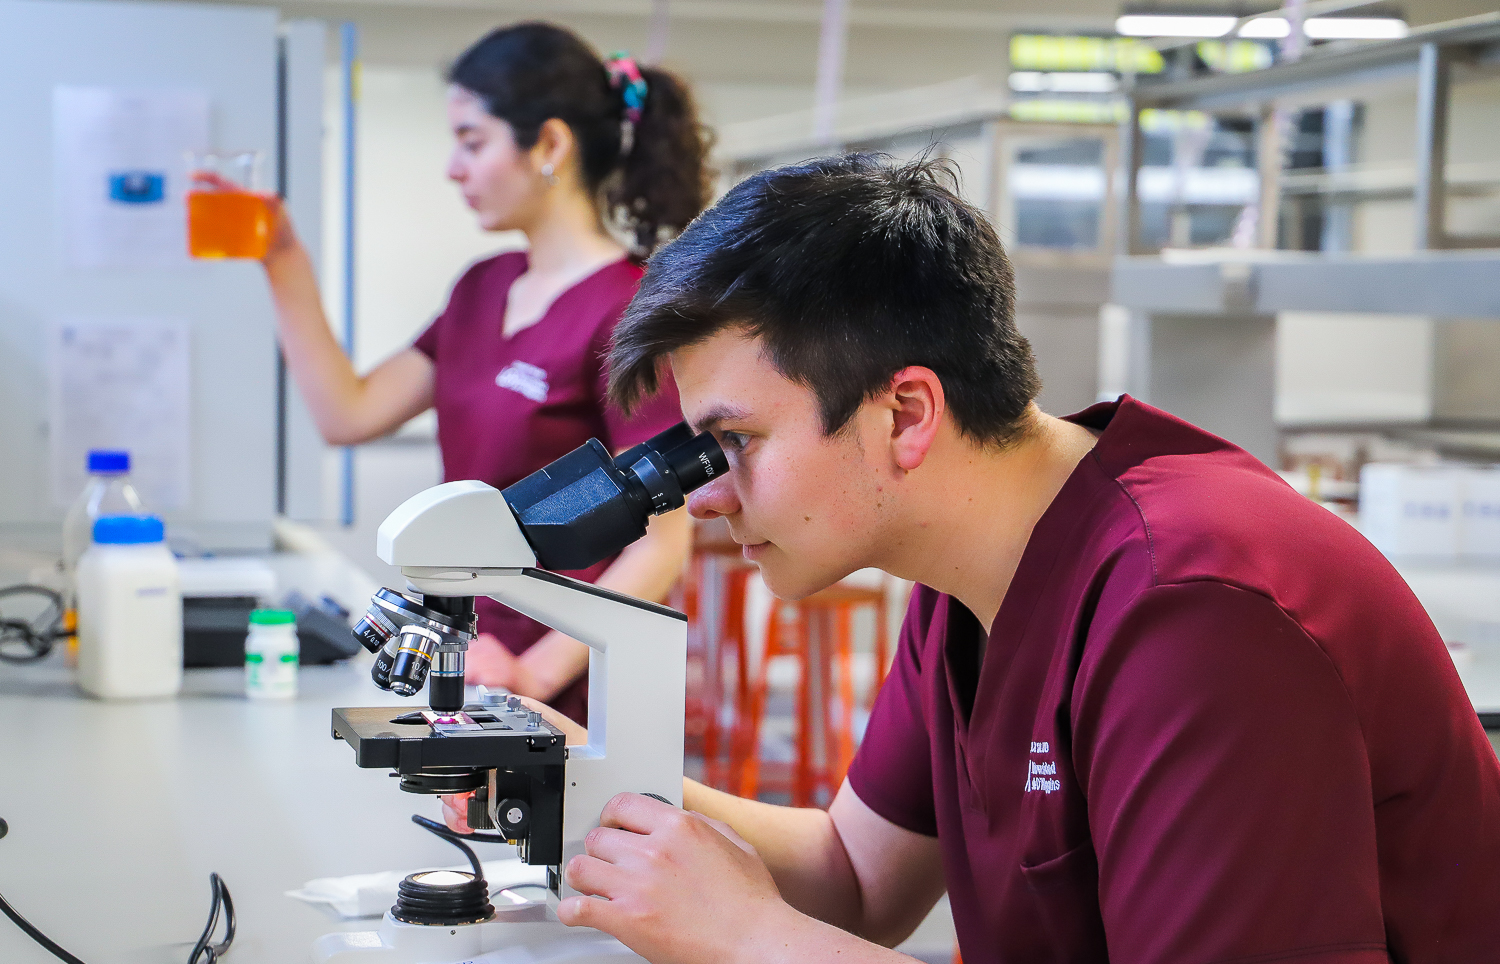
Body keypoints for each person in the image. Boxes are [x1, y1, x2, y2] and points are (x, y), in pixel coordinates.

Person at [540, 154, 1500, 964]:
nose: (705, 497)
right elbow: (857, 876)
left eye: (734, 441)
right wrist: (581, 766)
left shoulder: (1196, 613)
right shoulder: (975, 578)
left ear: (905, 415)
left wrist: (754, 938)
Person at [254, 22, 713, 723]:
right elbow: (346, 413)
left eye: (472, 141)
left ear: (549, 145)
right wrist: (282, 262)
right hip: (468, 654)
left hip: (560, 675)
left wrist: (534, 672)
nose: (453, 167)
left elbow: (665, 539)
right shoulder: (481, 287)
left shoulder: (624, 306)